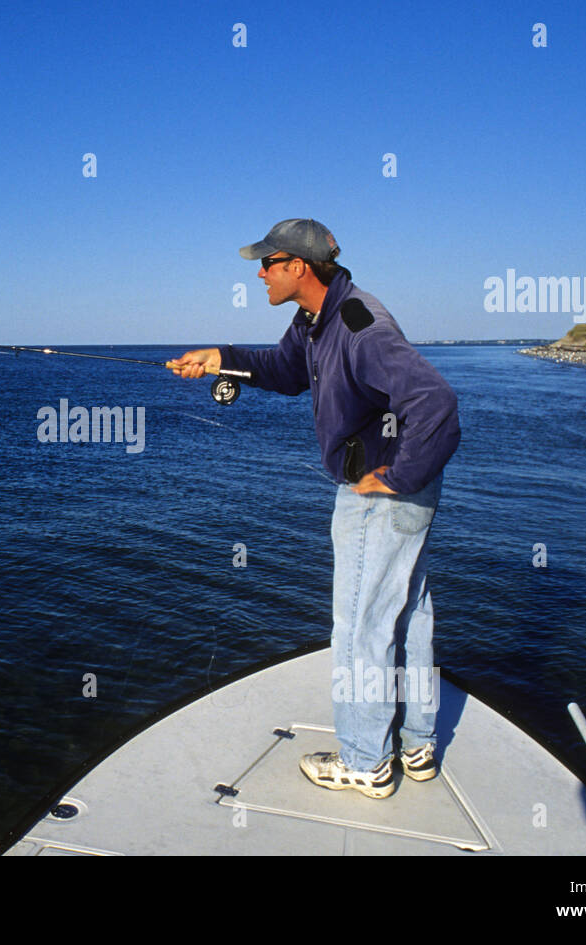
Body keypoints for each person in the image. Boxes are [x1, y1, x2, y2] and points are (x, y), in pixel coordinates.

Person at [171, 218, 460, 799]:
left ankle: (365, 762)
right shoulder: (316, 318)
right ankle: (419, 747)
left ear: (298, 266)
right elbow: (283, 370)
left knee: (359, 626)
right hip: (405, 489)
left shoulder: (360, 326)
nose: (259, 273)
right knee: (409, 614)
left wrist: (397, 476)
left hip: (381, 495)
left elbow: (436, 404)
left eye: (268, 263)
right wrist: (220, 357)